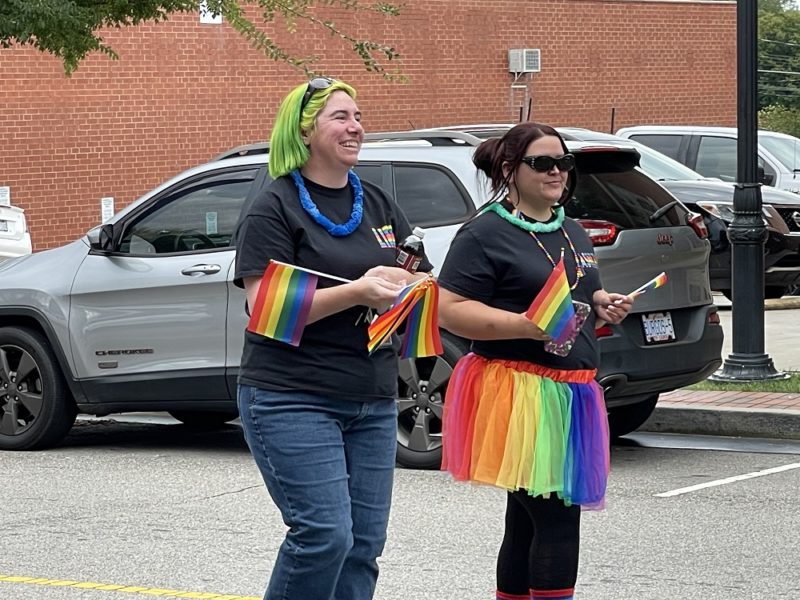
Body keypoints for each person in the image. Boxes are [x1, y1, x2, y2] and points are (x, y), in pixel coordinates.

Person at [233, 77, 432, 600]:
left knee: (363, 545)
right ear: (304, 130)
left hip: (370, 395)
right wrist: (359, 292)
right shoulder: (274, 206)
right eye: (340, 117)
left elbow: (414, 275)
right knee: (323, 536)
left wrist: (414, 286)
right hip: (291, 395)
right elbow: (263, 308)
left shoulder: (378, 203)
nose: (355, 127)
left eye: (359, 117)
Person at [436, 123, 633, 600]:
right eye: (543, 163)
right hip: (518, 390)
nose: (557, 172)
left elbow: (580, 290)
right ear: (510, 170)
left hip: (572, 389)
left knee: (526, 518)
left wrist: (602, 300)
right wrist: (524, 325)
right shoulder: (484, 232)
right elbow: (450, 308)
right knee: (556, 516)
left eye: (563, 163)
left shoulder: (570, 227)